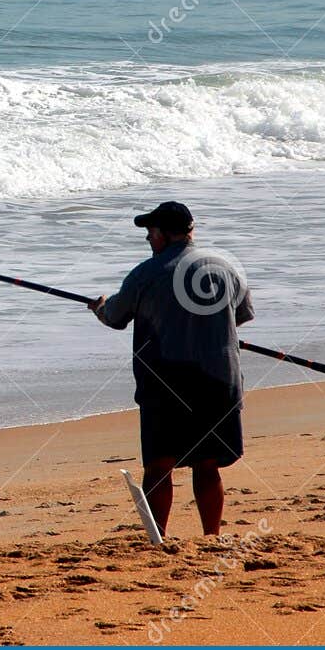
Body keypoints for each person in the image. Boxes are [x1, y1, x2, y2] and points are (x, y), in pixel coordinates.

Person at [87, 201, 252, 536]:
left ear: (162, 234)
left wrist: (100, 309)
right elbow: (241, 316)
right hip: (219, 380)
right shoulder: (226, 267)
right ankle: (212, 538)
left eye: (150, 233)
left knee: (159, 465)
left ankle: (158, 538)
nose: (148, 239)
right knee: (207, 463)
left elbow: (116, 318)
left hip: (167, 382)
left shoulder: (147, 273)